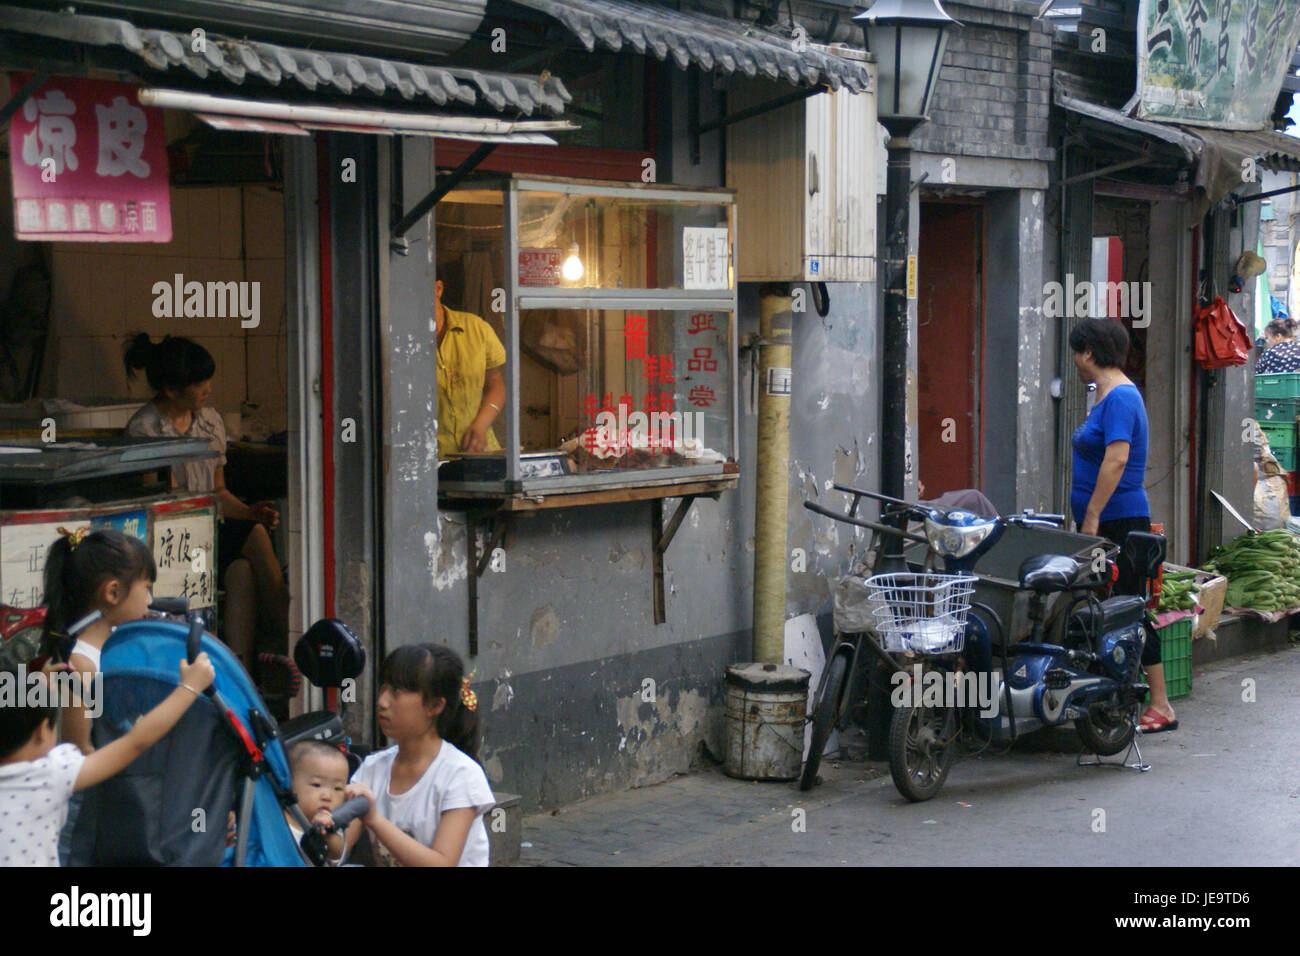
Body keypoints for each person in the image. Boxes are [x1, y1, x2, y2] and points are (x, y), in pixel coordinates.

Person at [123, 334, 287, 664]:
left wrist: (248, 513)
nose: (208, 390)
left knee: (243, 564)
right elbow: (158, 504)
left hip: (210, 530)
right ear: (171, 390)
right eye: (200, 384)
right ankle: (286, 638)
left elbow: (219, 493)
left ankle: (246, 661)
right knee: (246, 550)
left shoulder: (210, 421)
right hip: (173, 540)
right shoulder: (145, 429)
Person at [0, 652, 215, 866]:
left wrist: (36, 692)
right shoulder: (50, 775)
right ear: (41, 732)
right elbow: (135, 742)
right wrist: (189, 687)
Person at [1068, 317, 1175, 734]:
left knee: (1129, 608)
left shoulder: (1121, 399)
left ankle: (1162, 705)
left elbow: (1117, 459)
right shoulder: (1104, 394)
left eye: (1077, 352)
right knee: (1103, 607)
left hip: (1119, 521)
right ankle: (1111, 693)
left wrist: (1092, 514)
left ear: (1089, 354)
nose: (1075, 361)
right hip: (1105, 519)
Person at [336, 644, 495, 866]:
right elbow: (337, 849)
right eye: (384, 687)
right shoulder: (372, 768)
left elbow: (441, 863)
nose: (382, 701)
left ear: (434, 706)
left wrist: (373, 819)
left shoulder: (461, 775)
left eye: (397, 692)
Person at [435, 280, 506, 458]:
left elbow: (495, 383)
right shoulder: (397, 339)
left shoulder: (476, 328)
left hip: (479, 455)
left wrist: (480, 425)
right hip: (428, 461)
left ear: (438, 289)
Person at [284, 740, 353, 864]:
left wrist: (325, 834)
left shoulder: (329, 823)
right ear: (290, 783)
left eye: (337, 788)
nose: (327, 796)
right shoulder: (278, 819)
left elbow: (338, 851)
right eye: (316, 785)